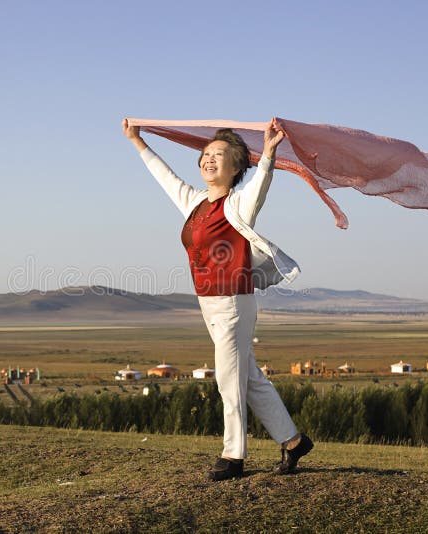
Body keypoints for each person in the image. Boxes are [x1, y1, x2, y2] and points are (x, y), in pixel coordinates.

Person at [122, 118, 313, 481]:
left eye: (220, 155)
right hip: (208, 302)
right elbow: (165, 177)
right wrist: (137, 141)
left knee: (227, 378)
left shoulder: (237, 204)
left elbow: (261, 184)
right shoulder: (195, 203)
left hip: (233, 301)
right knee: (249, 377)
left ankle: (233, 455)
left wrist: (269, 152)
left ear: (237, 166)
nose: (209, 159)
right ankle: (293, 441)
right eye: (206, 154)